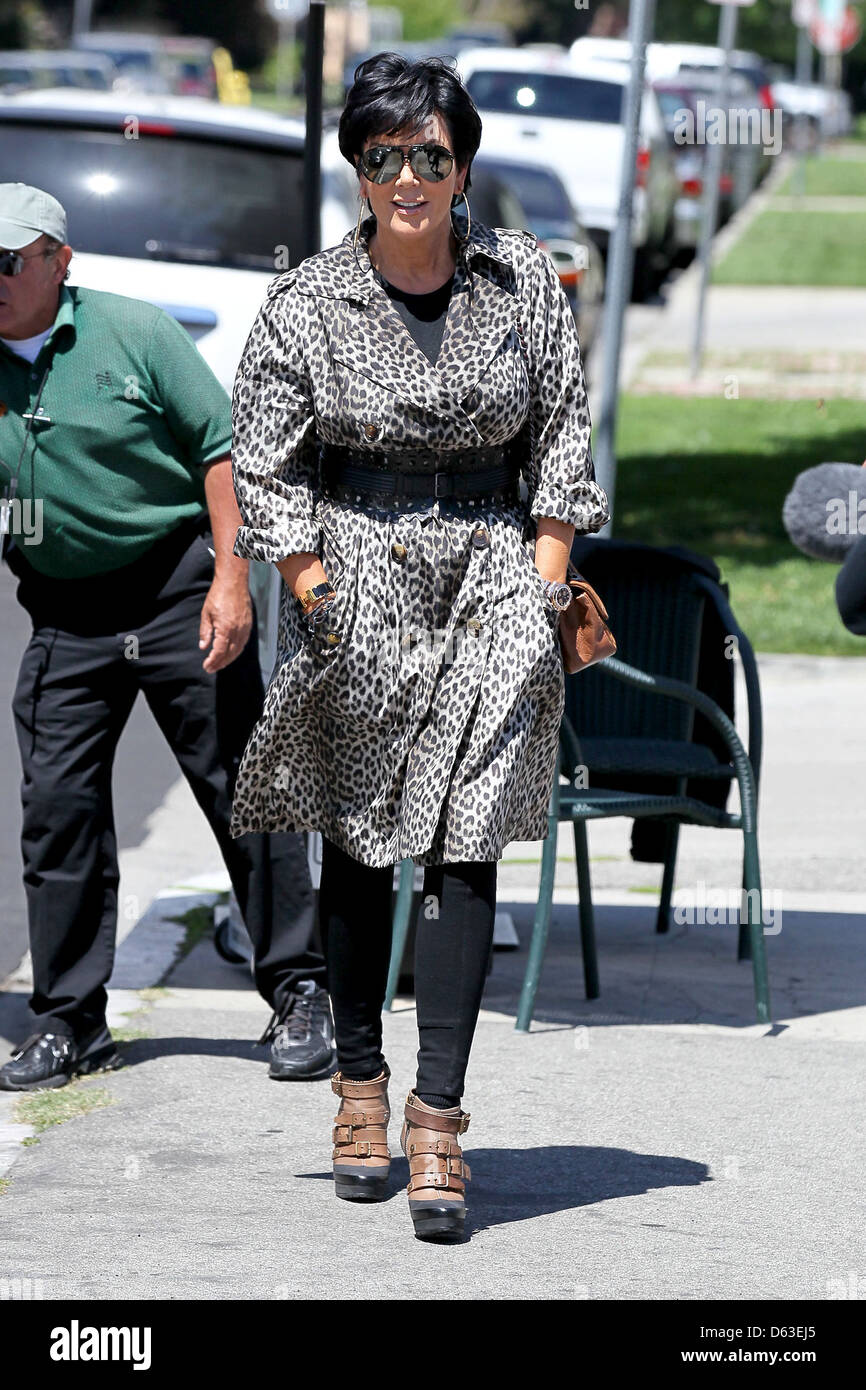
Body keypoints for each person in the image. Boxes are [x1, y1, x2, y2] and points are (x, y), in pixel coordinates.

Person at [229, 54, 610, 1242]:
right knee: (357, 838)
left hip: (496, 564)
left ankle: (438, 1122)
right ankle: (357, 1088)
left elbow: (559, 438)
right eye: (382, 155)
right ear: (356, 167)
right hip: (356, 561)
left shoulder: (522, 285)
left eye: (429, 155)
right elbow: (268, 463)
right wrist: (314, 587)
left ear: (461, 164)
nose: (406, 176)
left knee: (462, 841)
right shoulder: (305, 302)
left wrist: (545, 583)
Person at [0, 183, 333, 1091]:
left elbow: (219, 448)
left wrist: (233, 579)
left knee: (244, 794)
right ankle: (69, 1019)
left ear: (58, 263)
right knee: (57, 812)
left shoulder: (131, 333)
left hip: (176, 587)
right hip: (67, 611)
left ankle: (302, 993)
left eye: (7, 262)